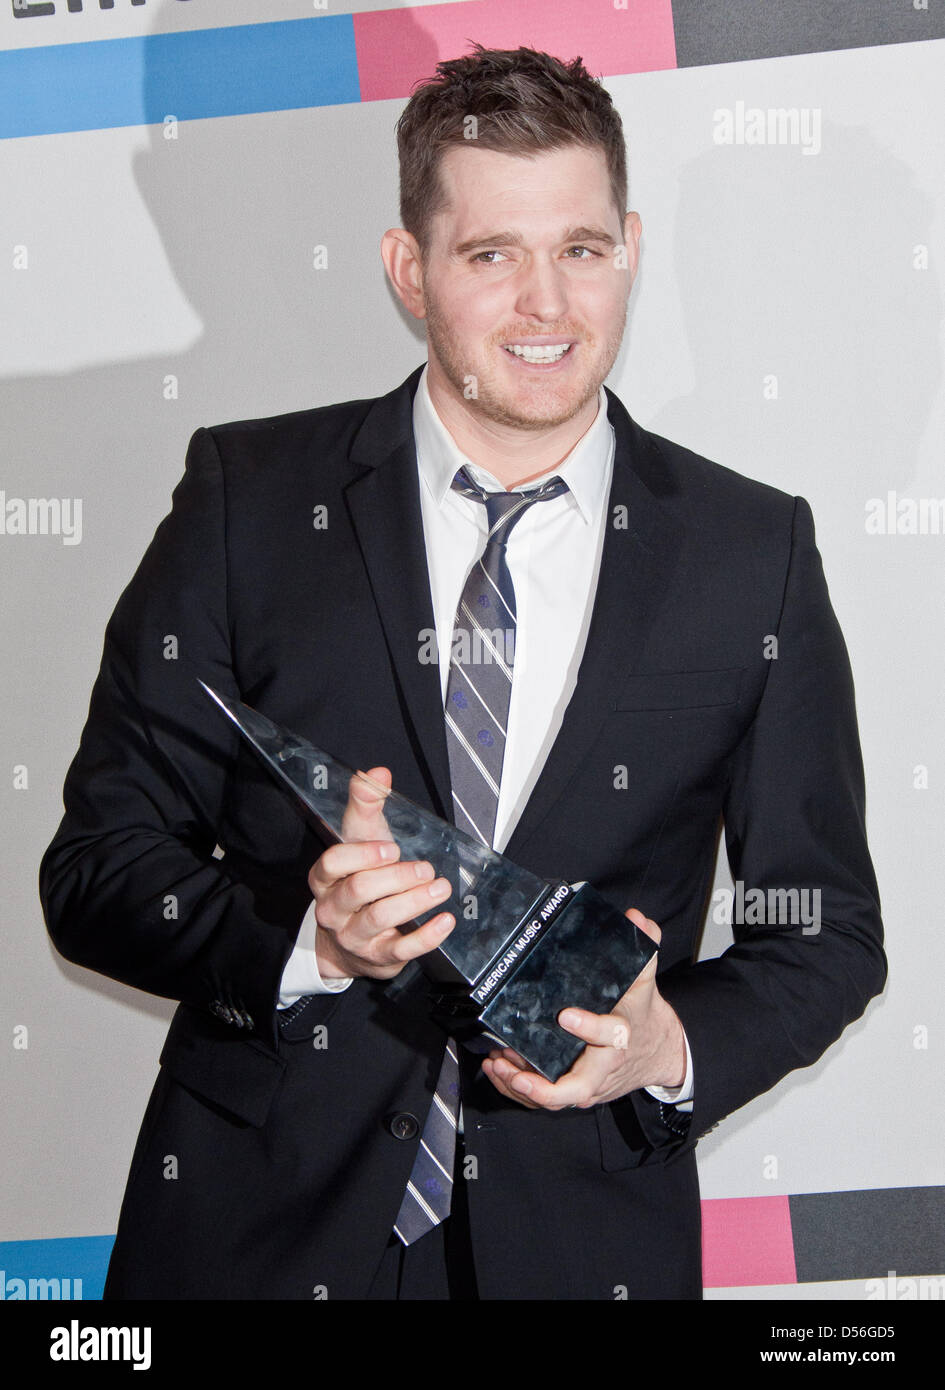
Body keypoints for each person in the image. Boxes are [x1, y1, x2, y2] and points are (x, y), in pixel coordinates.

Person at [39, 45, 885, 1300]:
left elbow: (822, 927)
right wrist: (309, 947)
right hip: (251, 1240)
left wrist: (667, 1043)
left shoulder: (750, 552)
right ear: (408, 271)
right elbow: (99, 865)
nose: (547, 305)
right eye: (494, 255)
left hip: (584, 1241)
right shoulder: (249, 503)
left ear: (630, 249)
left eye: (582, 250)